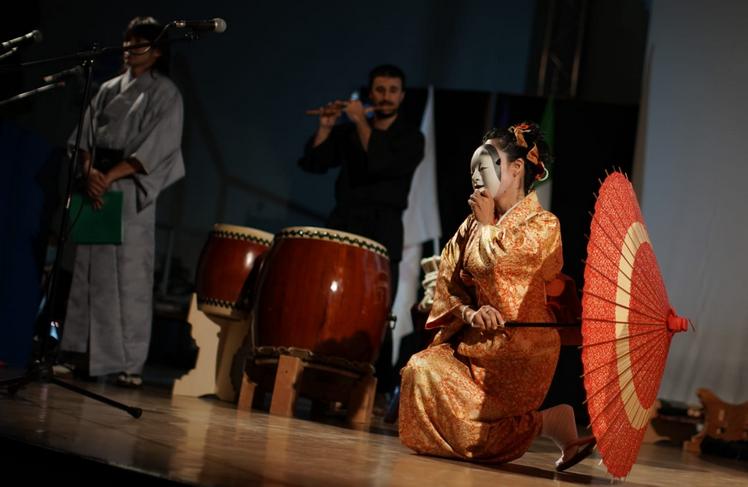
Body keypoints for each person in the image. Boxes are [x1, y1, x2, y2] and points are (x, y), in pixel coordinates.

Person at [398, 122, 595, 471]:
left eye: (487, 164)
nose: (476, 175)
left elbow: (504, 275)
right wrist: (471, 315)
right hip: (475, 346)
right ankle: (546, 423)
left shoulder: (544, 225)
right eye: (474, 166)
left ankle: (544, 422)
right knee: (419, 370)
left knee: (475, 437)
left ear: (517, 168)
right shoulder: (471, 224)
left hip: (520, 351)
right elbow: (449, 287)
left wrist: (488, 227)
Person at [60, 17, 185, 387]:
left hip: (128, 189)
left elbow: (159, 148)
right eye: (128, 41)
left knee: (128, 278)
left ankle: (129, 364)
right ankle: (75, 354)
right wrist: (90, 172)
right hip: (95, 185)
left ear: (158, 52)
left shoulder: (167, 93)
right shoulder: (108, 88)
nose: (131, 48)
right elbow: (83, 137)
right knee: (87, 274)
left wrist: (110, 175)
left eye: (140, 43)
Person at [298, 65, 425, 392]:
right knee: (331, 304)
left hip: (382, 233)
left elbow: (380, 162)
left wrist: (358, 121)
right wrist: (326, 127)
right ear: (370, 93)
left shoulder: (412, 137)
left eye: (392, 90)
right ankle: (319, 377)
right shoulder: (351, 130)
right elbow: (315, 164)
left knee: (373, 312)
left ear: (402, 95)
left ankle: (369, 389)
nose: (385, 97)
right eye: (379, 90)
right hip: (344, 226)